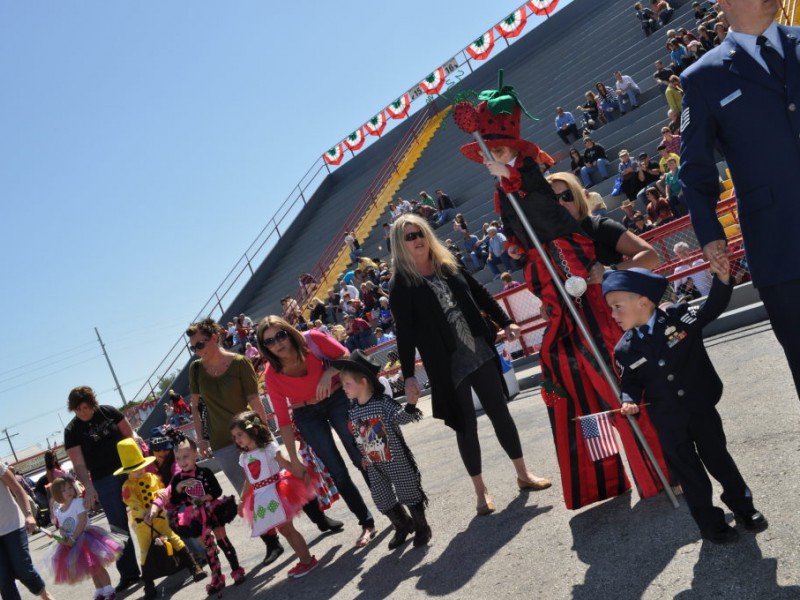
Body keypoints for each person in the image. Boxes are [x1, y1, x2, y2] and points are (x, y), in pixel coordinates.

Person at [458, 76, 668, 510]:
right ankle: (603, 479)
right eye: (551, 199)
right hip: (566, 320)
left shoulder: (591, 225)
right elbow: (529, 234)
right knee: (583, 402)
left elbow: (647, 256)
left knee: (622, 392)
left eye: (563, 197)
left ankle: (662, 469)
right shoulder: (518, 210)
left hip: (601, 317)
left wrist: (604, 271)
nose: (557, 204)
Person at [389, 213, 552, 515]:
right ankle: (481, 491)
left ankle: (523, 474)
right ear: (401, 244)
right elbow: (406, 334)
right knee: (466, 426)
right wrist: (410, 375)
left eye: (420, 233)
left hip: (477, 348)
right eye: (409, 237)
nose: (417, 240)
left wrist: (506, 322)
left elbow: (479, 294)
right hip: (446, 363)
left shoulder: (448, 264)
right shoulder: (401, 285)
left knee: (500, 413)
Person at [680, 0, 800, 401]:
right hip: (779, 248)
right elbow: (695, 170)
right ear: (725, 4)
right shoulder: (702, 77)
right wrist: (711, 233)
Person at [603, 266, 768, 544]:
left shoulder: (679, 318)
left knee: (720, 461)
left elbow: (710, 310)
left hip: (700, 409)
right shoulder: (625, 348)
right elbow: (630, 382)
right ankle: (710, 525)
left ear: (643, 301)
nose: (613, 315)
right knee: (690, 476)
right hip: (668, 421)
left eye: (618, 307)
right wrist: (628, 400)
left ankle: (744, 509)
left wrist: (723, 279)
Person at [185, 318, 340, 567]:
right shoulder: (196, 369)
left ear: (214, 337)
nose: (197, 350)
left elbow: (255, 400)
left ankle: (320, 519)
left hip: (252, 436)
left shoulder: (239, 363)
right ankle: (272, 544)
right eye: (192, 347)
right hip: (223, 443)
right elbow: (194, 407)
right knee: (251, 495)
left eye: (200, 343)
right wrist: (201, 438)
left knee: (287, 481)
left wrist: (265, 436)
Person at [256, 316, 377, 548]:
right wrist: (293, 460)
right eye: (269, 341)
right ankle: (367, 522)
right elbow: (283, 421)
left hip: (338, 399)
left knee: (361, 456)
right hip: (306, 415)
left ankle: (391, 508)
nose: (277, 343)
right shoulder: (272, 375)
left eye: (280, 335)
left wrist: (327, 373)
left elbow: (346, 355)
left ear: (289, 332)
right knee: (337, 472)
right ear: (265, 347)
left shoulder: (313, 339)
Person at [334, 350, 430, 550]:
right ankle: (403, 525)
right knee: (381, 497)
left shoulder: (382, 403)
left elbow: (400, 419)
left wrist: (411, 405)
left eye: (347, 384)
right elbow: (359, 436)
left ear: (363, 382)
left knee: (409, 491)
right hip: (374, 464)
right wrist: (363, 456)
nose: (343, 388)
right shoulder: (353, 410)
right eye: (342, 384)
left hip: (396, 460)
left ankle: (421, 527)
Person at [64, 386, 141, 592]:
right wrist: (88, 487)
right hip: (103, 479)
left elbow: (129, 434)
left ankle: (166, 557)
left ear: (93, 404)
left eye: (86, 407)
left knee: (146, 513)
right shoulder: (71, 431)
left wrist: (140, 459)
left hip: (130, 469)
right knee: (118, 526)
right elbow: (79, 463)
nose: (83, 412)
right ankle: (129, 573)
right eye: (78, 409)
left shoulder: (109, 412)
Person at [230, 412, 317, 579]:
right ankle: (304, 559)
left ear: (252, 431)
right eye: (234, 437)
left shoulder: (268, 449)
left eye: (240, 434)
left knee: (288, 529)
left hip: (277, 492)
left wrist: (302, 474)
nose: (237, 439)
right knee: (283, 530)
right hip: (261, 496)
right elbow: (249, 480)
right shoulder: (244, 457)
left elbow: (286, 464)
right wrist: (242, 500)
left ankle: (307, 561)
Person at [115, 440, 205, 599]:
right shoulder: (127, 487)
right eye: (135, 470)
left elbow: (162, 491)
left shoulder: (153, 477)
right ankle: (149, 587)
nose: (140, 471)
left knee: (176, 540)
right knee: (144, 552)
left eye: (141, 467)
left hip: (160, 519)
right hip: (143, 525)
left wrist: (159, 499)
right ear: (127, 471)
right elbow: (132, 502)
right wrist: (144, 512)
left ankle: (195, 568)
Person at [168, 437, 240, 594]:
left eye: (186, 456)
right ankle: (217, 577)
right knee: (208, 548)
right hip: (194, 518)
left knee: (223, 541)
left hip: (212, 511)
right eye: (178, 458)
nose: (182, 461)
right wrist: (179, 488)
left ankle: (236, 570)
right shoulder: (177, 480)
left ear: (195, 455)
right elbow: (174, 501)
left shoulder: (205, 472)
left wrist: (204, 498)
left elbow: (217, 491)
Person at [47, 477, 122, 597]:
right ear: (57, 494)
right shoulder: (59, 510)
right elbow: (62, 527)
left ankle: (108, 589)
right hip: (73, 542)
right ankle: (100, 590)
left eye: (70, 487)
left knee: (97, 566)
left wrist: (73, 538)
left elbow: (82, 521)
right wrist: (63, 535)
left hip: (86, 538)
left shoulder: (77, 502)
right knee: (90, 568)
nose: (69, 491)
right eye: (64, 490)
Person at [0, 461, 54, 600]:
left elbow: (17, 489)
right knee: (4, 580)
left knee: (23, 568)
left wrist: (29, 515)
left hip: (13, 526)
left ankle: (44, 595)